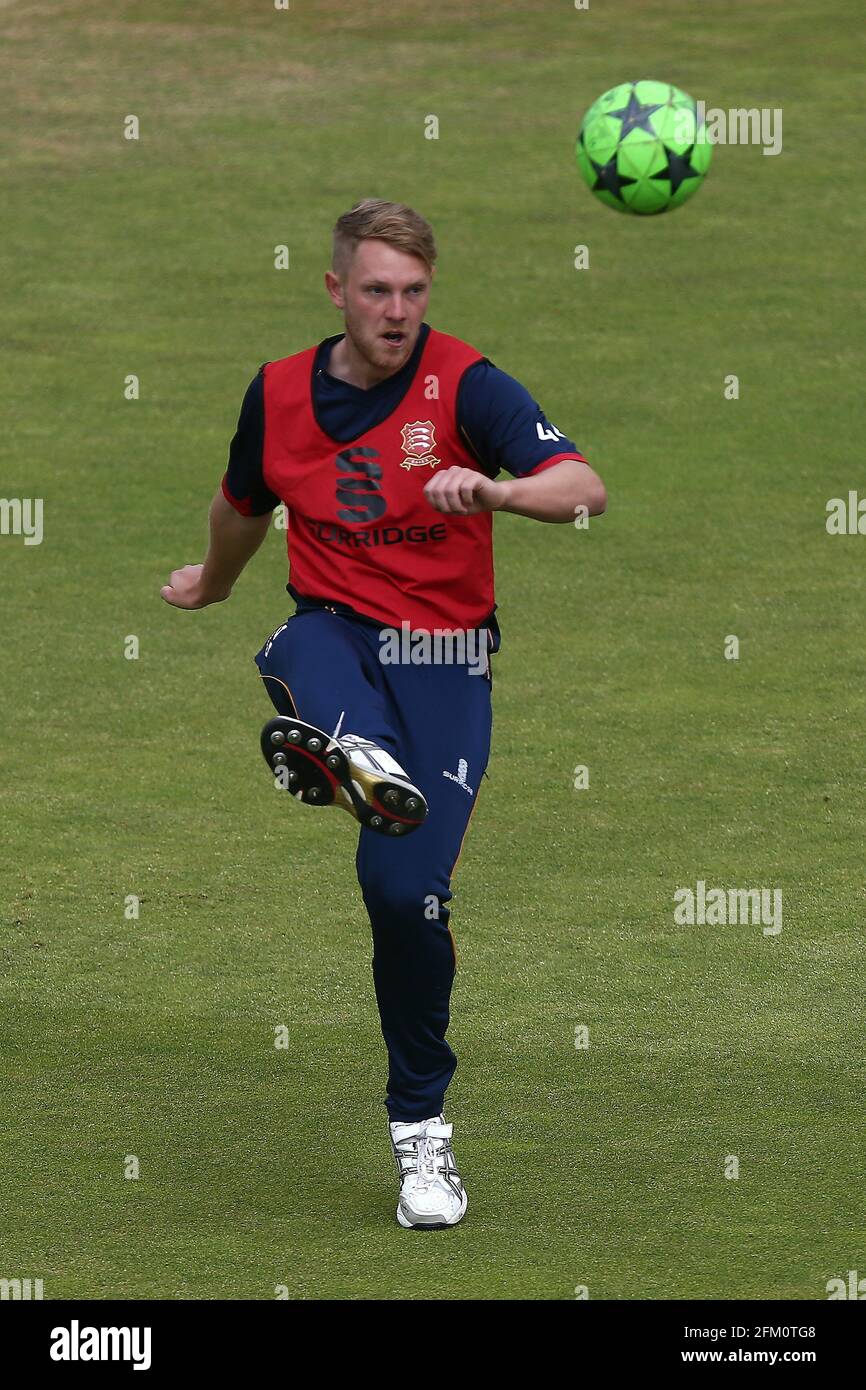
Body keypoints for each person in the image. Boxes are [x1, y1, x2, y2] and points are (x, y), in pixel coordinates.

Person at [161, 199, 607, 1229]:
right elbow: (243, 502)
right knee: (305, 644)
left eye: (411, 291)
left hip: (446, 664)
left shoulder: (466, 383)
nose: (395, 311)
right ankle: (348, 742)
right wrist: (216, 584)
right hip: (335, 631)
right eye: (375, 290)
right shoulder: (276, 392)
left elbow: (584, 488)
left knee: (403, 892)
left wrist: (498, 494)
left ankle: (420, 1132)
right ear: (335, 291)